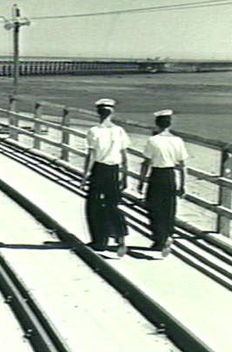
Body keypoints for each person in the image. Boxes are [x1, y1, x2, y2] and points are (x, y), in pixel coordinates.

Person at [81, 98, 130, 256]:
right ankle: (120, 235)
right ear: (112, 112)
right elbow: (124, 156)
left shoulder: (94, 131)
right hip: (114, 170)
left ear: (98, 112)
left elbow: (91, 156)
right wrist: (125, 176)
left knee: (94, 205)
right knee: (112, 204)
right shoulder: (119, 131)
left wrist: (84, 177)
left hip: (99, 170)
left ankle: (99, 241)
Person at [137, 109, 188, 257]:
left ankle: (159, 238)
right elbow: (183, 165)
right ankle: (167, 236)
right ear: (170, 124)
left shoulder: (153, 141)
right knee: (169, 208)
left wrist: (141, 181)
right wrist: (183, 185)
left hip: (157, 175)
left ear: (157, 123)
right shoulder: (178, 141)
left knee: (153, 207)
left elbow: (146, 162)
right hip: (170, 175)